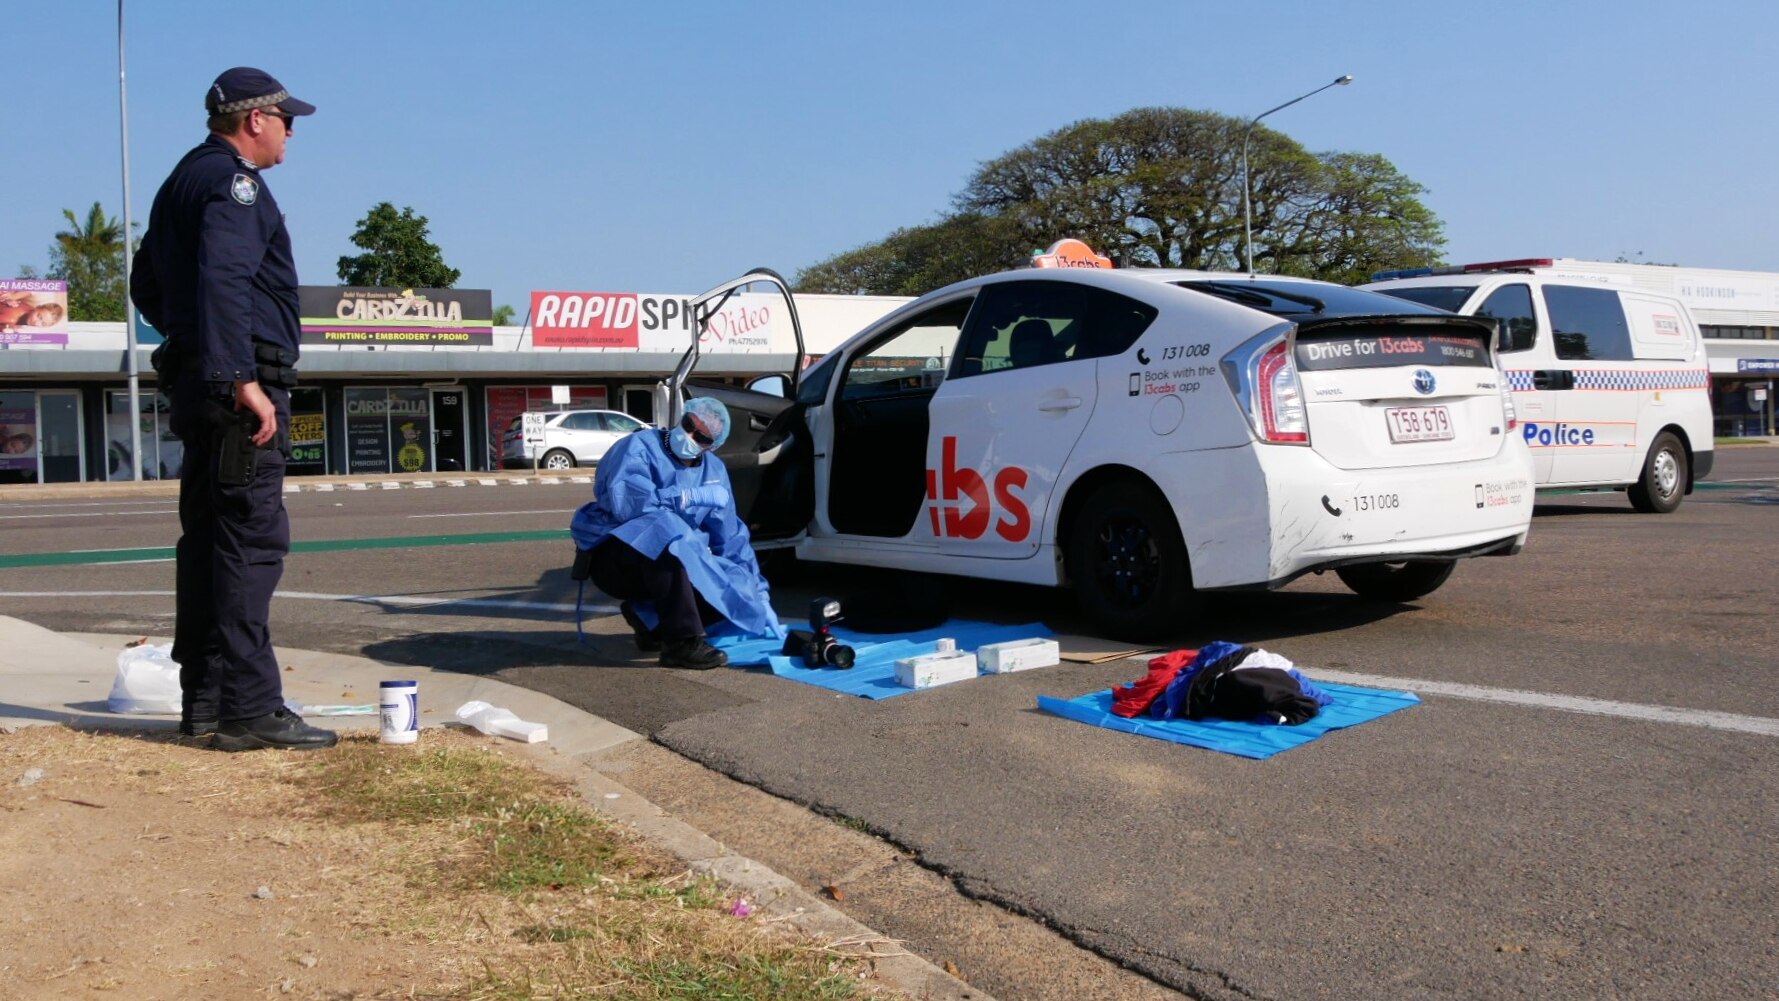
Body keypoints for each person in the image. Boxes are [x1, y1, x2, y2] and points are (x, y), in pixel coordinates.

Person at [129, 67, 334, 751]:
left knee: (210, 545)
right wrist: (239, 375)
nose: (291, 132)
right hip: (238, 394)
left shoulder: (180, 180)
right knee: (250, 544)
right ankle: (250, 706)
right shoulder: (236, 184)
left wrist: (190, 343)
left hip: (201, 385)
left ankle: (208, 701)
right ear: (255, 120)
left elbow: (145, 284)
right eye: (286, 119)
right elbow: (224, 275)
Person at [570, 397, 782, 669]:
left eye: (702, 437)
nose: (690, 436)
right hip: (614, 559)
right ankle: (681, 643)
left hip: (669, 560)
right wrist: (684, 497)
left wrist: (759, 595)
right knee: (667, 532)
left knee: (735, 596)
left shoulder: (714, 471)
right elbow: (627, 504)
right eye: (688, 425)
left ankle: (649, 621)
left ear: (712, 446)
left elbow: (731, 539)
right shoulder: (638, 447)